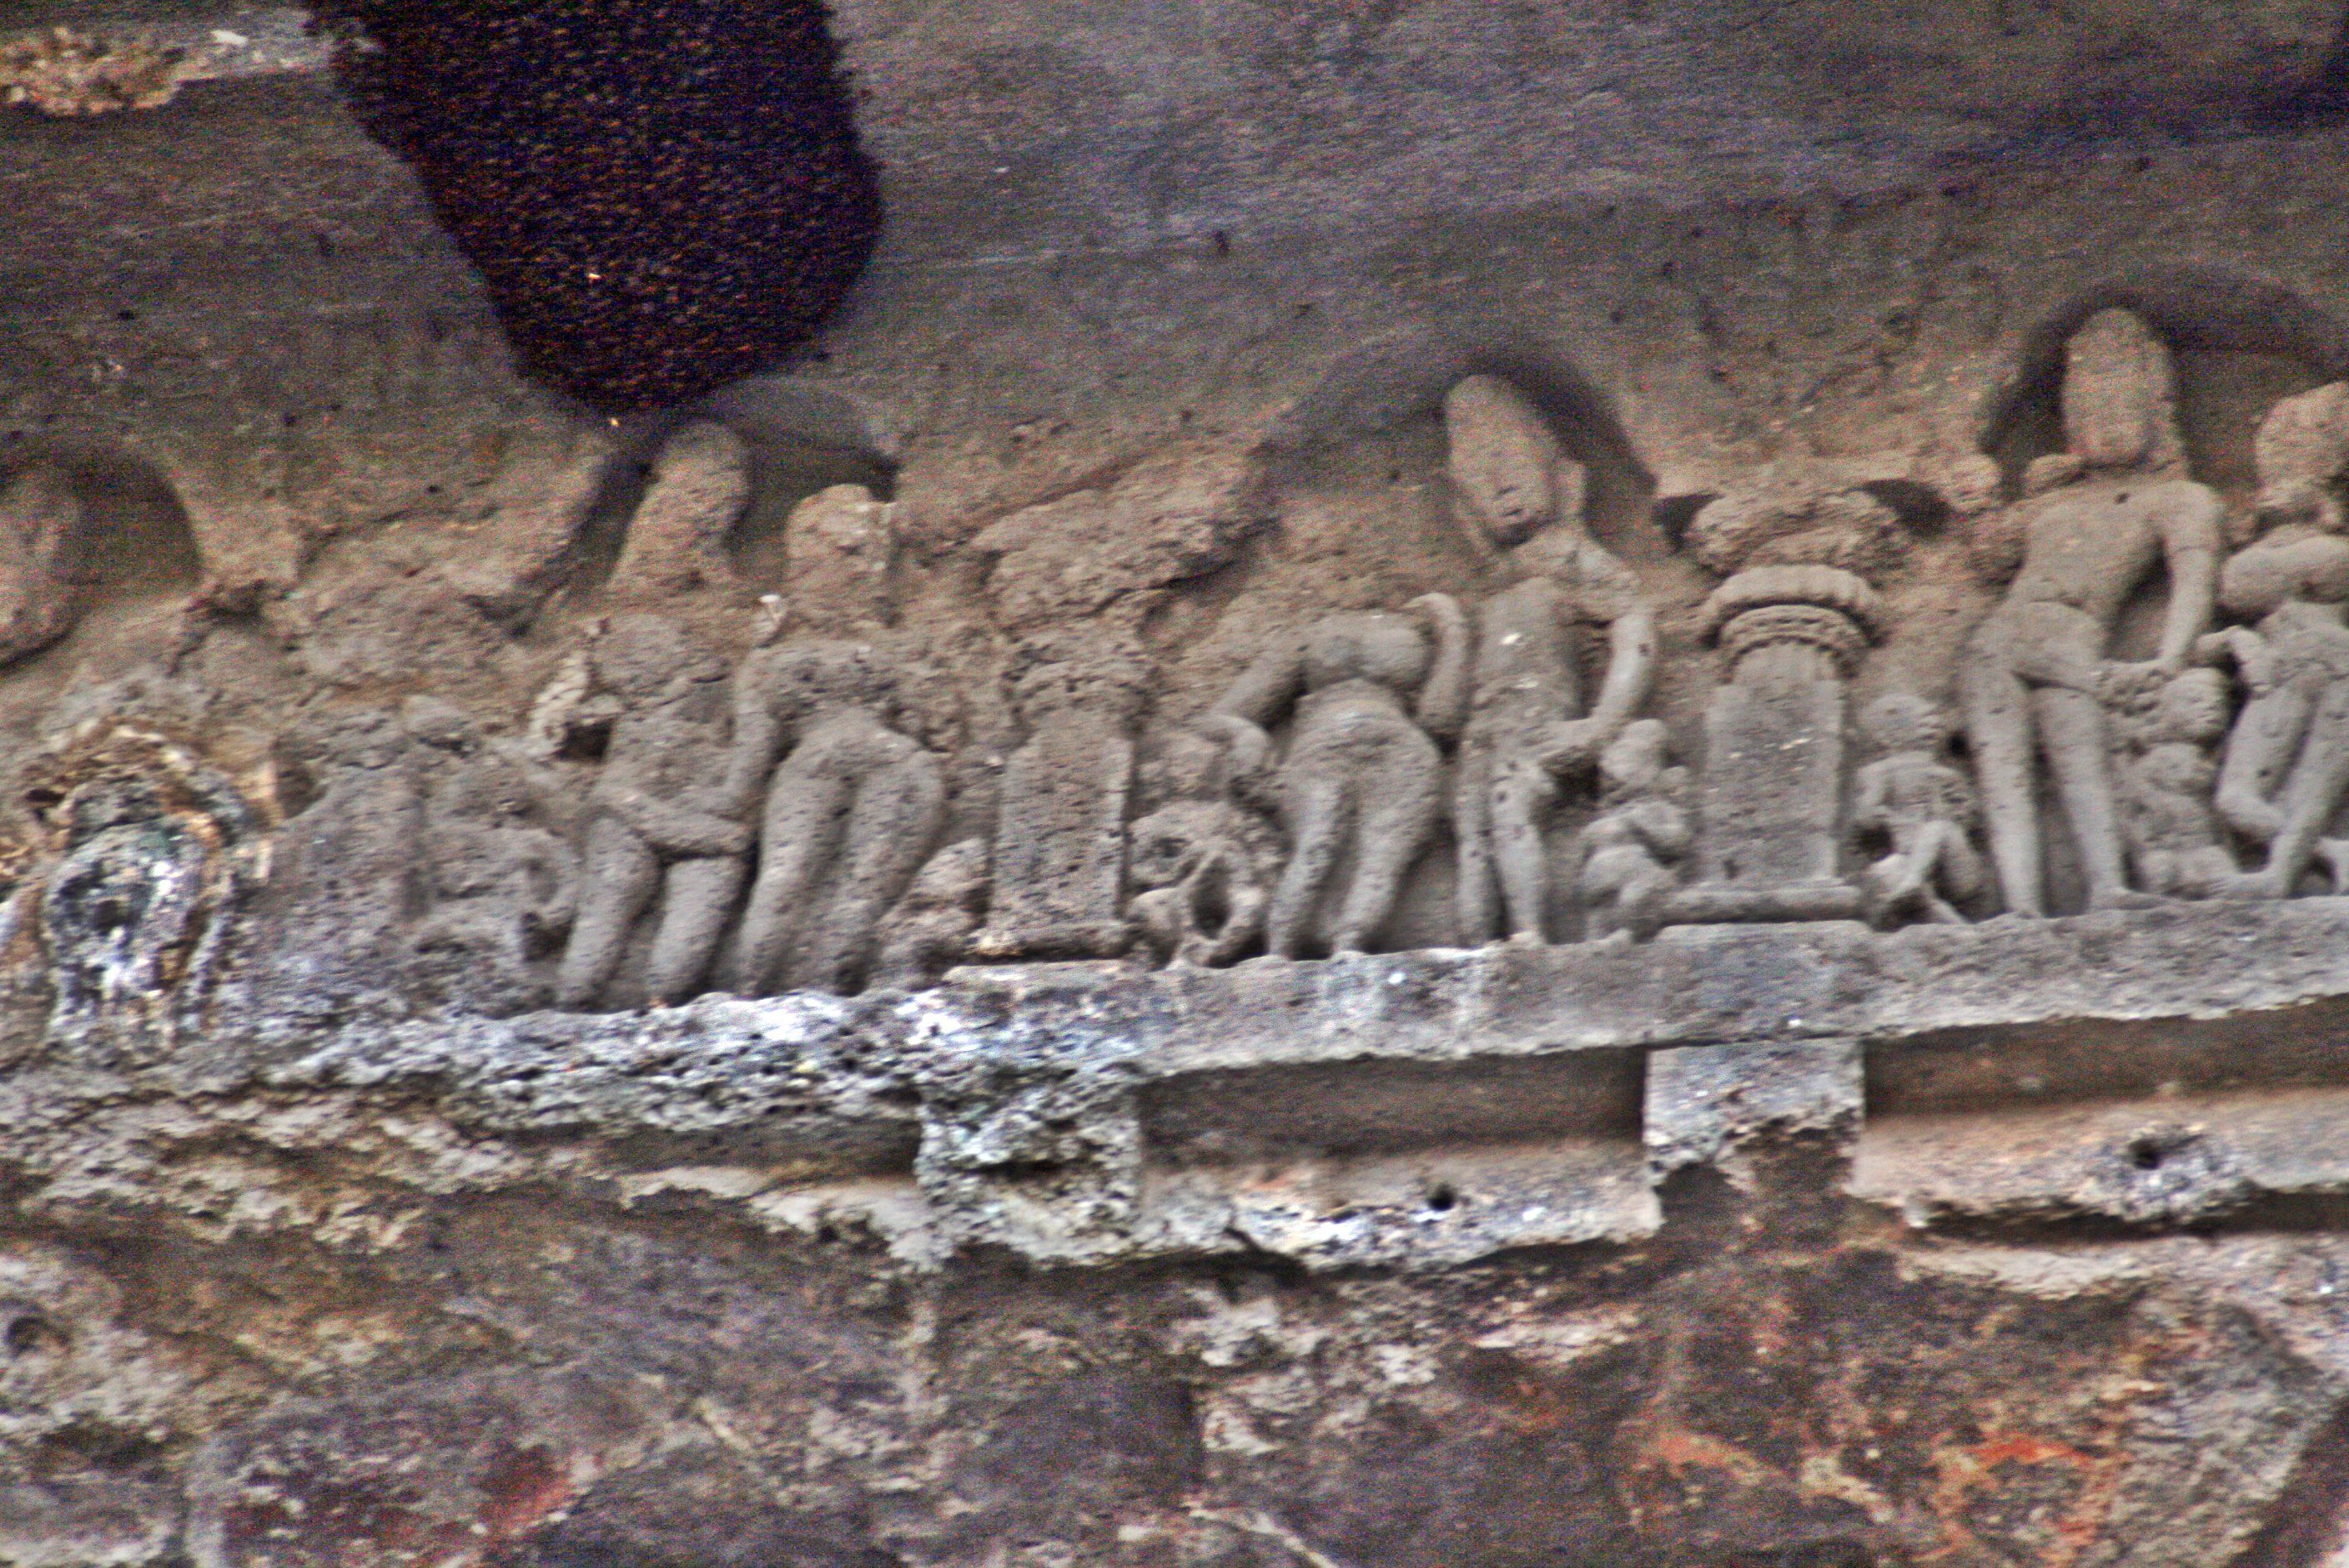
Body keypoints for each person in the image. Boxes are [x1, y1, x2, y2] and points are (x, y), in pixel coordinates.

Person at [1958, 309, 2222, 915]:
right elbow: (1994, 556)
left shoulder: (2179, 499)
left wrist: (2169, 659)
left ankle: (2108, 885)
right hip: (2000, 640)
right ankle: (2020, 907)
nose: (2102, 423)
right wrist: (1975, 499)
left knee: (2085, 763)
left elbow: (2195, 582)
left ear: (2158, 409)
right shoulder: (2053, 499)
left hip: (2072, 643)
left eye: (2119, 404)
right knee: (2005, 778)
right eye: (2086, 407)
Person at [1441, 376, 1657, 943]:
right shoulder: (1493, 584)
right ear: (1463, 509)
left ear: (1564, 478)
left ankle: (1529, 933)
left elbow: (1634, 624)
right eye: (1479, 481)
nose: (1499, 485)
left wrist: (1603, 723)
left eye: (1511, 462)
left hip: (1540, 724)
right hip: (1483, 730)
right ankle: (1474, 950)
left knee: (1509, 805)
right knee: (1468, 831)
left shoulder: (1574, 558)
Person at [1208, 596, 1470, 957]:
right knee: (1315, 848)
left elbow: (1441, 719)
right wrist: (1247, 738)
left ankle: (1350, 949)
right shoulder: (1309, 634)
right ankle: (1277, 953)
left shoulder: (1419, 630)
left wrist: (1451, 629)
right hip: (1322, 750)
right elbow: (1219, 716)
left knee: (1380, 860)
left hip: (1402, 751)